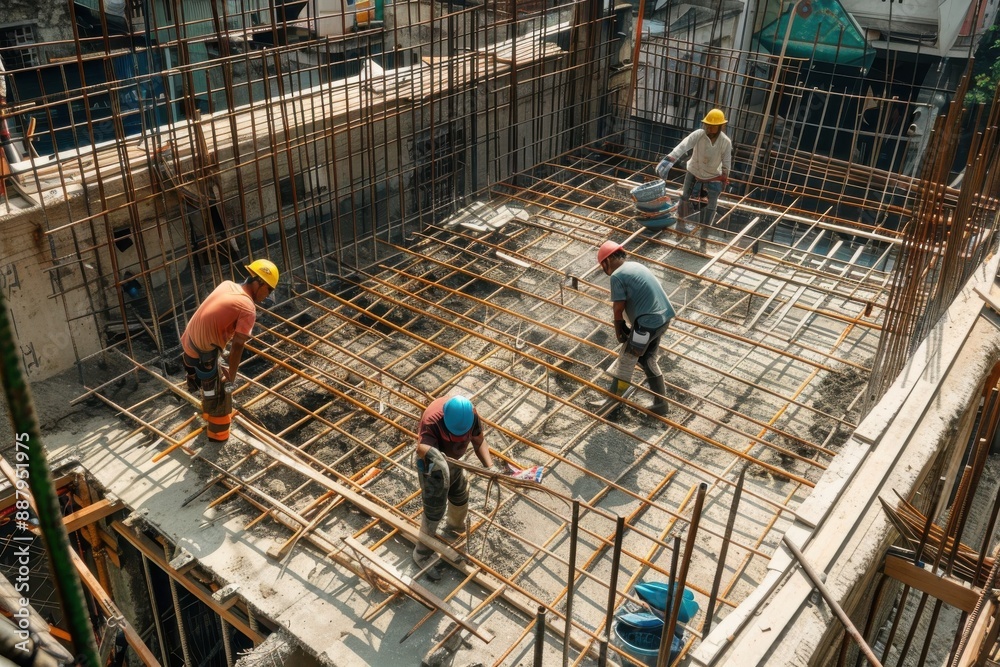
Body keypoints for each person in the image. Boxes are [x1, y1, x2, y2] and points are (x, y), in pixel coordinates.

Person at [180, 259, 279, 443]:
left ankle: (195, 383)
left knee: (216, 363)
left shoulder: (227, 285)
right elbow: (238, 345)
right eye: (269, 290)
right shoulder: (248, 307)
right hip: (204, 357)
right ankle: (217, 435)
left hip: (188, 345)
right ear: (259, 283)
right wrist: (231, 375)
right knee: (222, 393)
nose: (268, 295)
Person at [413, 395, 498, 580]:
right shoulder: (433, 420)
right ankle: (422, 553)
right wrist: (438, 459)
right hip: (432, 466)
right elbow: (422, 447)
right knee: (435, 509)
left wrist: (490, 467)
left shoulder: (470, 415)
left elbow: (479, 441)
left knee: (460, 496)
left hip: (455, 462)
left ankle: (453, 528)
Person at [590, 241, 675, 419]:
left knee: (626, 359)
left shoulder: (617, 276)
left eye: (603, 265)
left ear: (609, 259)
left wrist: (619, 329)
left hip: (647, 324)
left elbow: (618, 308)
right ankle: (661, 404)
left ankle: (613, 403)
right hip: (662, 319)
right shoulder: (636, 266)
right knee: (647, 359)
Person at [656, 108, 732, 228]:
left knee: (712, 203)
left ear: (720, 126)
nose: (709, 128)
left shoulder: (725, 142)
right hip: (694, 170)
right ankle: (680, 223)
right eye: (708, 125)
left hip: (713, 175)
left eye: (713, 126)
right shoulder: (699, 135)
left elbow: (727, 161)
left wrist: (724, 176)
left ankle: (706, 227)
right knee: (685, 196)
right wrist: (670, 158)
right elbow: (683, 145)